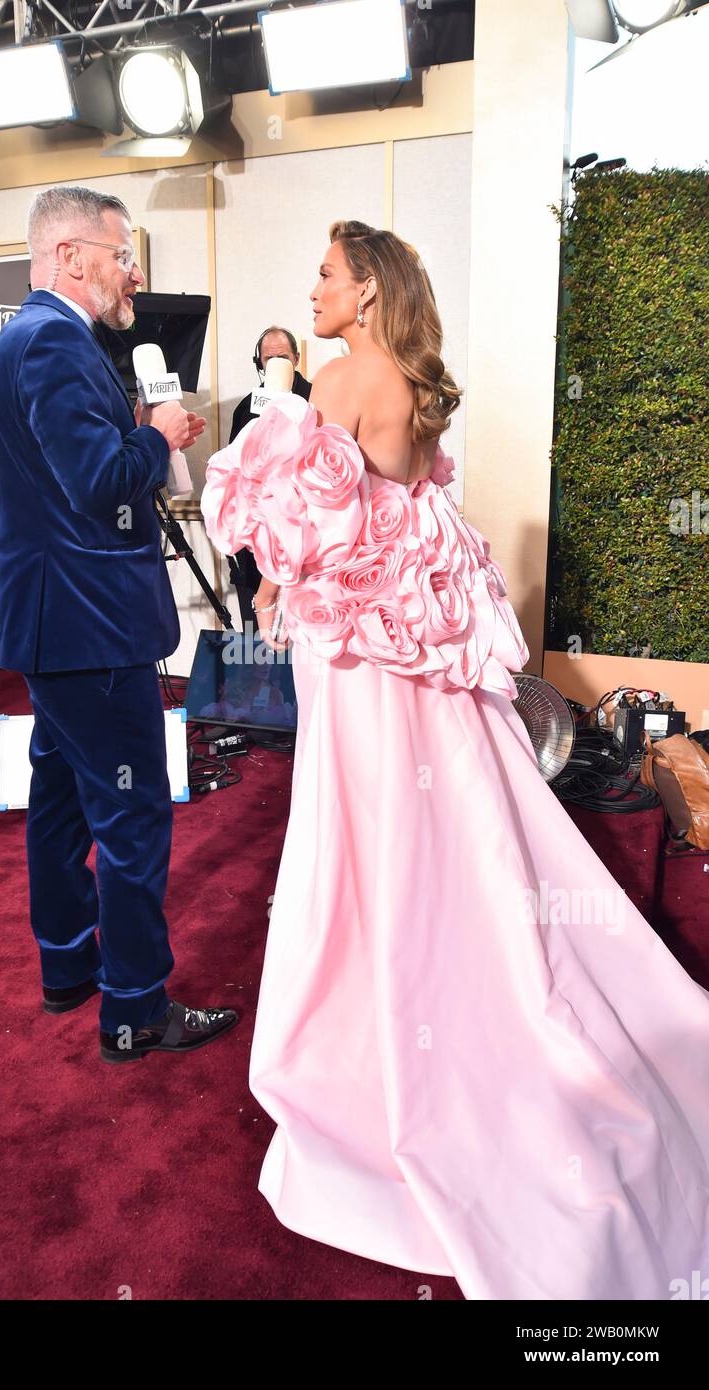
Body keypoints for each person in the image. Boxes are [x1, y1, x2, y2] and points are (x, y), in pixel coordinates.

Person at [202, 220, 709, 1299]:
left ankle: (380, 1053)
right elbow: (411, 517)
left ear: (368, 291)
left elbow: (300, 538)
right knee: (449, 828)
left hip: (355, 664)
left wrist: (267, 561)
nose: (316, 286)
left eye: (329, 274)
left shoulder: (339, 381)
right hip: (422, 664)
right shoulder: (416, 391)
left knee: (359, 836)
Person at [0, 185, 238, 1064]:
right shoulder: (53, 338)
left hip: (58, 627)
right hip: (89, 630)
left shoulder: (32, 340)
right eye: (122, 253)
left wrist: (139, 430)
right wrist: (158, 434)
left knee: (57, 805)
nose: (134, 271)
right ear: (69, 256)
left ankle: (66, 970)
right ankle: (133, 1009)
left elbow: (68, 472)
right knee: (131, 819)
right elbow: (97, 487)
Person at [227, 328, 312, 630]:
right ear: (259, 363)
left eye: (283, 358)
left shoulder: (316, 398)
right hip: (258, 539)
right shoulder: (247, 408)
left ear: (297, 359)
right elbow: (235, 472)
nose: (276, 363)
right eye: (269, 358)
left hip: (303, 537)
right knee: (259, 642)